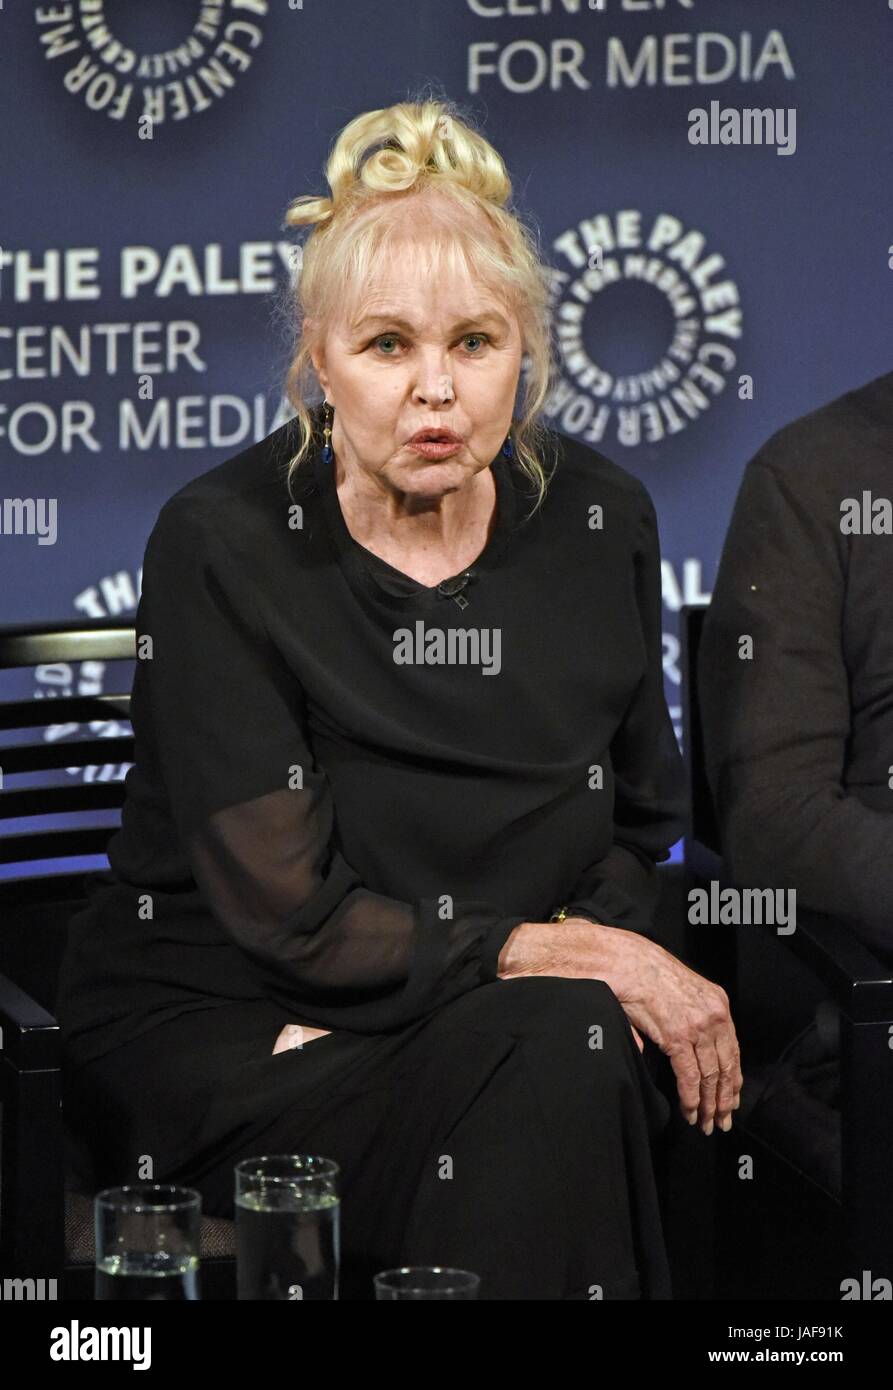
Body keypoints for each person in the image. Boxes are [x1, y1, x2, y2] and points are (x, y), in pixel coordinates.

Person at [57, 98, 742, 1301]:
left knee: (563, 1055)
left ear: (526, 350)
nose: (436, 391)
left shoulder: (598, 518)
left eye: (474, 342)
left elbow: (641, 823)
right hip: (252, 1027)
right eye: (387, 346)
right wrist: (560, 956)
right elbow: (292, 918)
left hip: (515, 1018)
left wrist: (580, 965)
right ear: (317, 359)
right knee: (561, 1058)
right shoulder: (222, 545)